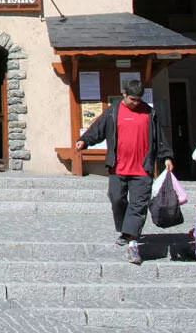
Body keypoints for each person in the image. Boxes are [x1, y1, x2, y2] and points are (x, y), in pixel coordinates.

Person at [76, 80, 175, 266]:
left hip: (142, 169)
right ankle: (124, 230)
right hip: (118, 167)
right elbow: (97, 129)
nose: (135, 103)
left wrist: (166, 157)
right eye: (132, 99)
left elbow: (159, 137)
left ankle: (132, 240)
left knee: (138, 204)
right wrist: (84, 141)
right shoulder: (113, 111)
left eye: (138, 100)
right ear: (123, 94)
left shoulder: (149, 112)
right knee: (116, 199)